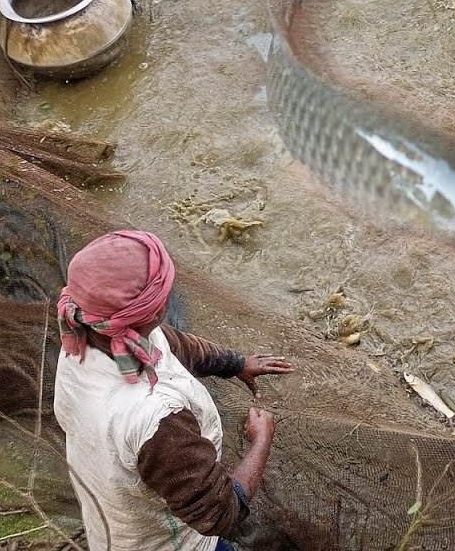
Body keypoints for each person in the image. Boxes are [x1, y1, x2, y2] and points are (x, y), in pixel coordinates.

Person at [53, 230, 293, 551]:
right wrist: (262, 438)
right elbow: (221, 513)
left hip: (116, 521)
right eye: (166, 289)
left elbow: (175, 346)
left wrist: (237, 364)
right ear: (153, 311)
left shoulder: (86, 338)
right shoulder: (157, 421)